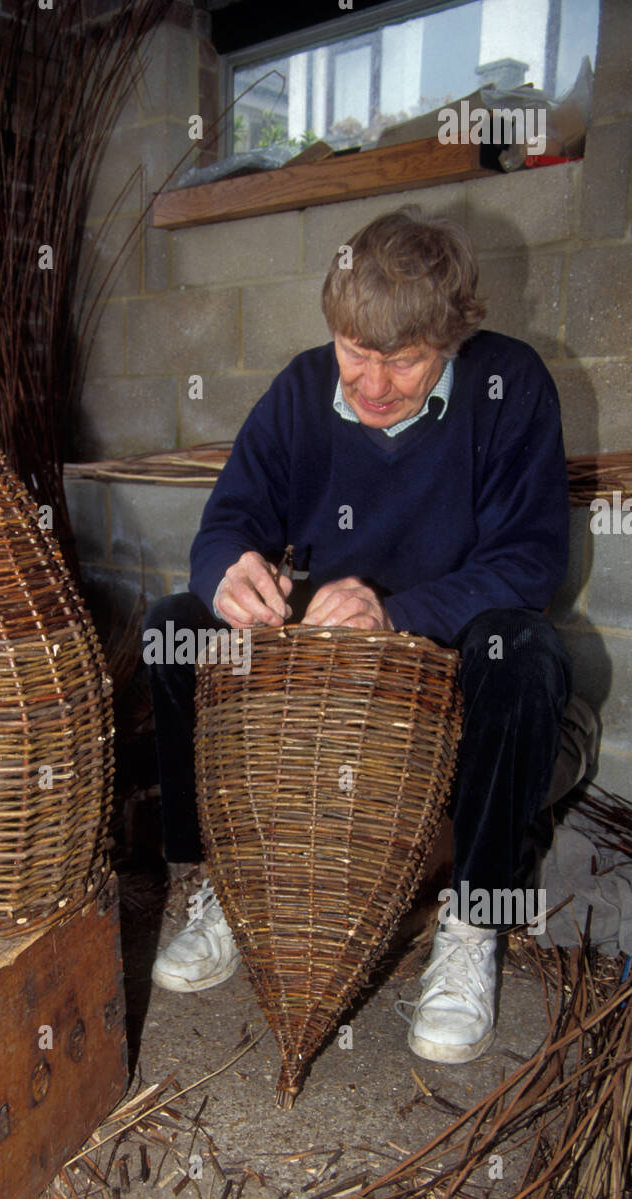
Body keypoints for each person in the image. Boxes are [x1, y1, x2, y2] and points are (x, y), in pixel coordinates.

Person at [143, 207, 572, 1065]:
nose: (372, 385)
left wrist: (397, 612)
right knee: (171, 632)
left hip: (445, 646)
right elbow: (228, 521)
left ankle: (472, 921)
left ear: (451, 339)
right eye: (356, 353)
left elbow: (530, 563)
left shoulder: (510, 386)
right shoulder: (302, 389)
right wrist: (229, 572)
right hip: (319, 646)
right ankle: (225, 880)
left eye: (404, 360)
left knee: (522, 655)